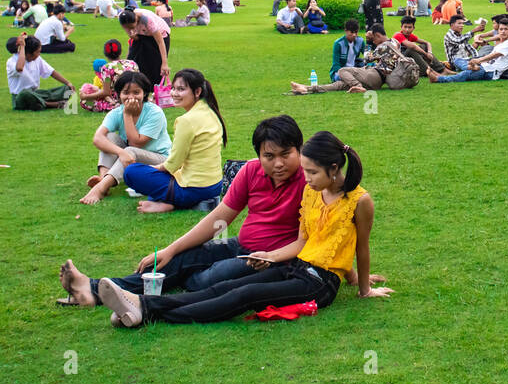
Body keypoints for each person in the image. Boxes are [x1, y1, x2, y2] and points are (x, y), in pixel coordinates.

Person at [94, 130, 392, 327]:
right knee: (226, 287)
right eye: (306, 170)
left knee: (245, 295)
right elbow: (303, 242)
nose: (307, 177)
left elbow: (360, 247)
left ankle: (146, 309)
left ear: (335, 169)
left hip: (321, 283)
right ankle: (142, 306)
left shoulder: (360, 201)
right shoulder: (312, 192)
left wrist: (363, 288)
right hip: (296, 266)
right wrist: (271, 256)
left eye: (312, 172)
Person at [121, 68, 226, 213]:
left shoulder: (186, 121)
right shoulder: (210, 111)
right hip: (214, 186)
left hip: (193, 188)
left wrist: (154, 169)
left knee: (131, 171)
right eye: (173, 88)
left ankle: (170, 204)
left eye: (181, 89)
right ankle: (164, 199)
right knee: (151, 177)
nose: (174, 93)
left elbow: (173, 164)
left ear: (197, 92)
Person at [81, 71, 173, 205]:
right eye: (126, 92)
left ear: (144, 93)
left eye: (136, 92)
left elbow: (136, 144)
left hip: (159, 158)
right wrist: (121, 152)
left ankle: (100, 189)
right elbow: (98, 138)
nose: (131, 97)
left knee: (131, 150)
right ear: (119, 94)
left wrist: (128, 115)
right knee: (109, 137)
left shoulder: (154, 113)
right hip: (131, 154)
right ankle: (103, 178)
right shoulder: (116, 113)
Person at [294, 23, 419, 93]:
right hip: (377, 82)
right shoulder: (395, 42)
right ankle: (307, 89)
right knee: (340, 85)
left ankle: (358, 86)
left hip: (374, 76)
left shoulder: (383, 46)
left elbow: (366, 58)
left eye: (373, 38)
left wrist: (368, 43)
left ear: (377, 35)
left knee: (342, 71)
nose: (374, 41)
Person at [428, 20, 508, 82]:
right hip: (484, 65)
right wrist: (483, 41)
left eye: (505, 29)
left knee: (465, 75)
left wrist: (479, 60)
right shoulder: (504, 39)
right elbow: (495, 38)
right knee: (458, 60)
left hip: (490, 72)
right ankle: (470, 67)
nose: (503, 31)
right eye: (501, 29)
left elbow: (495, 55)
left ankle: (438, 79)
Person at [6, 33, 73, 110]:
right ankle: (51, 104)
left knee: (66, 89)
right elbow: (19, 68)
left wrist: (68, 83)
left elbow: (51, 72)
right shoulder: (12, 62)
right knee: (25, 94)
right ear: (28, 53)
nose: (39, 54)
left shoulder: (37, 59)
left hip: (36, 94)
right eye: (37, 52)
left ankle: (41, 102)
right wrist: (22, 46)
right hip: (21, 97)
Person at [118, 6, 171, 87]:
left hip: (160, 36)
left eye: (132, 27)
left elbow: (160, 42)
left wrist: (164, 63)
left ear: (136, 19)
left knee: (155, 64)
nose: (131, 29)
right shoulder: (123, 17)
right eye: (128, 28)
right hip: (142, 34)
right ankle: (133, 84)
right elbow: (131, 34)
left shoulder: (147, 20)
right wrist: (132, 35)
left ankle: (153, 89)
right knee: (133, 60)